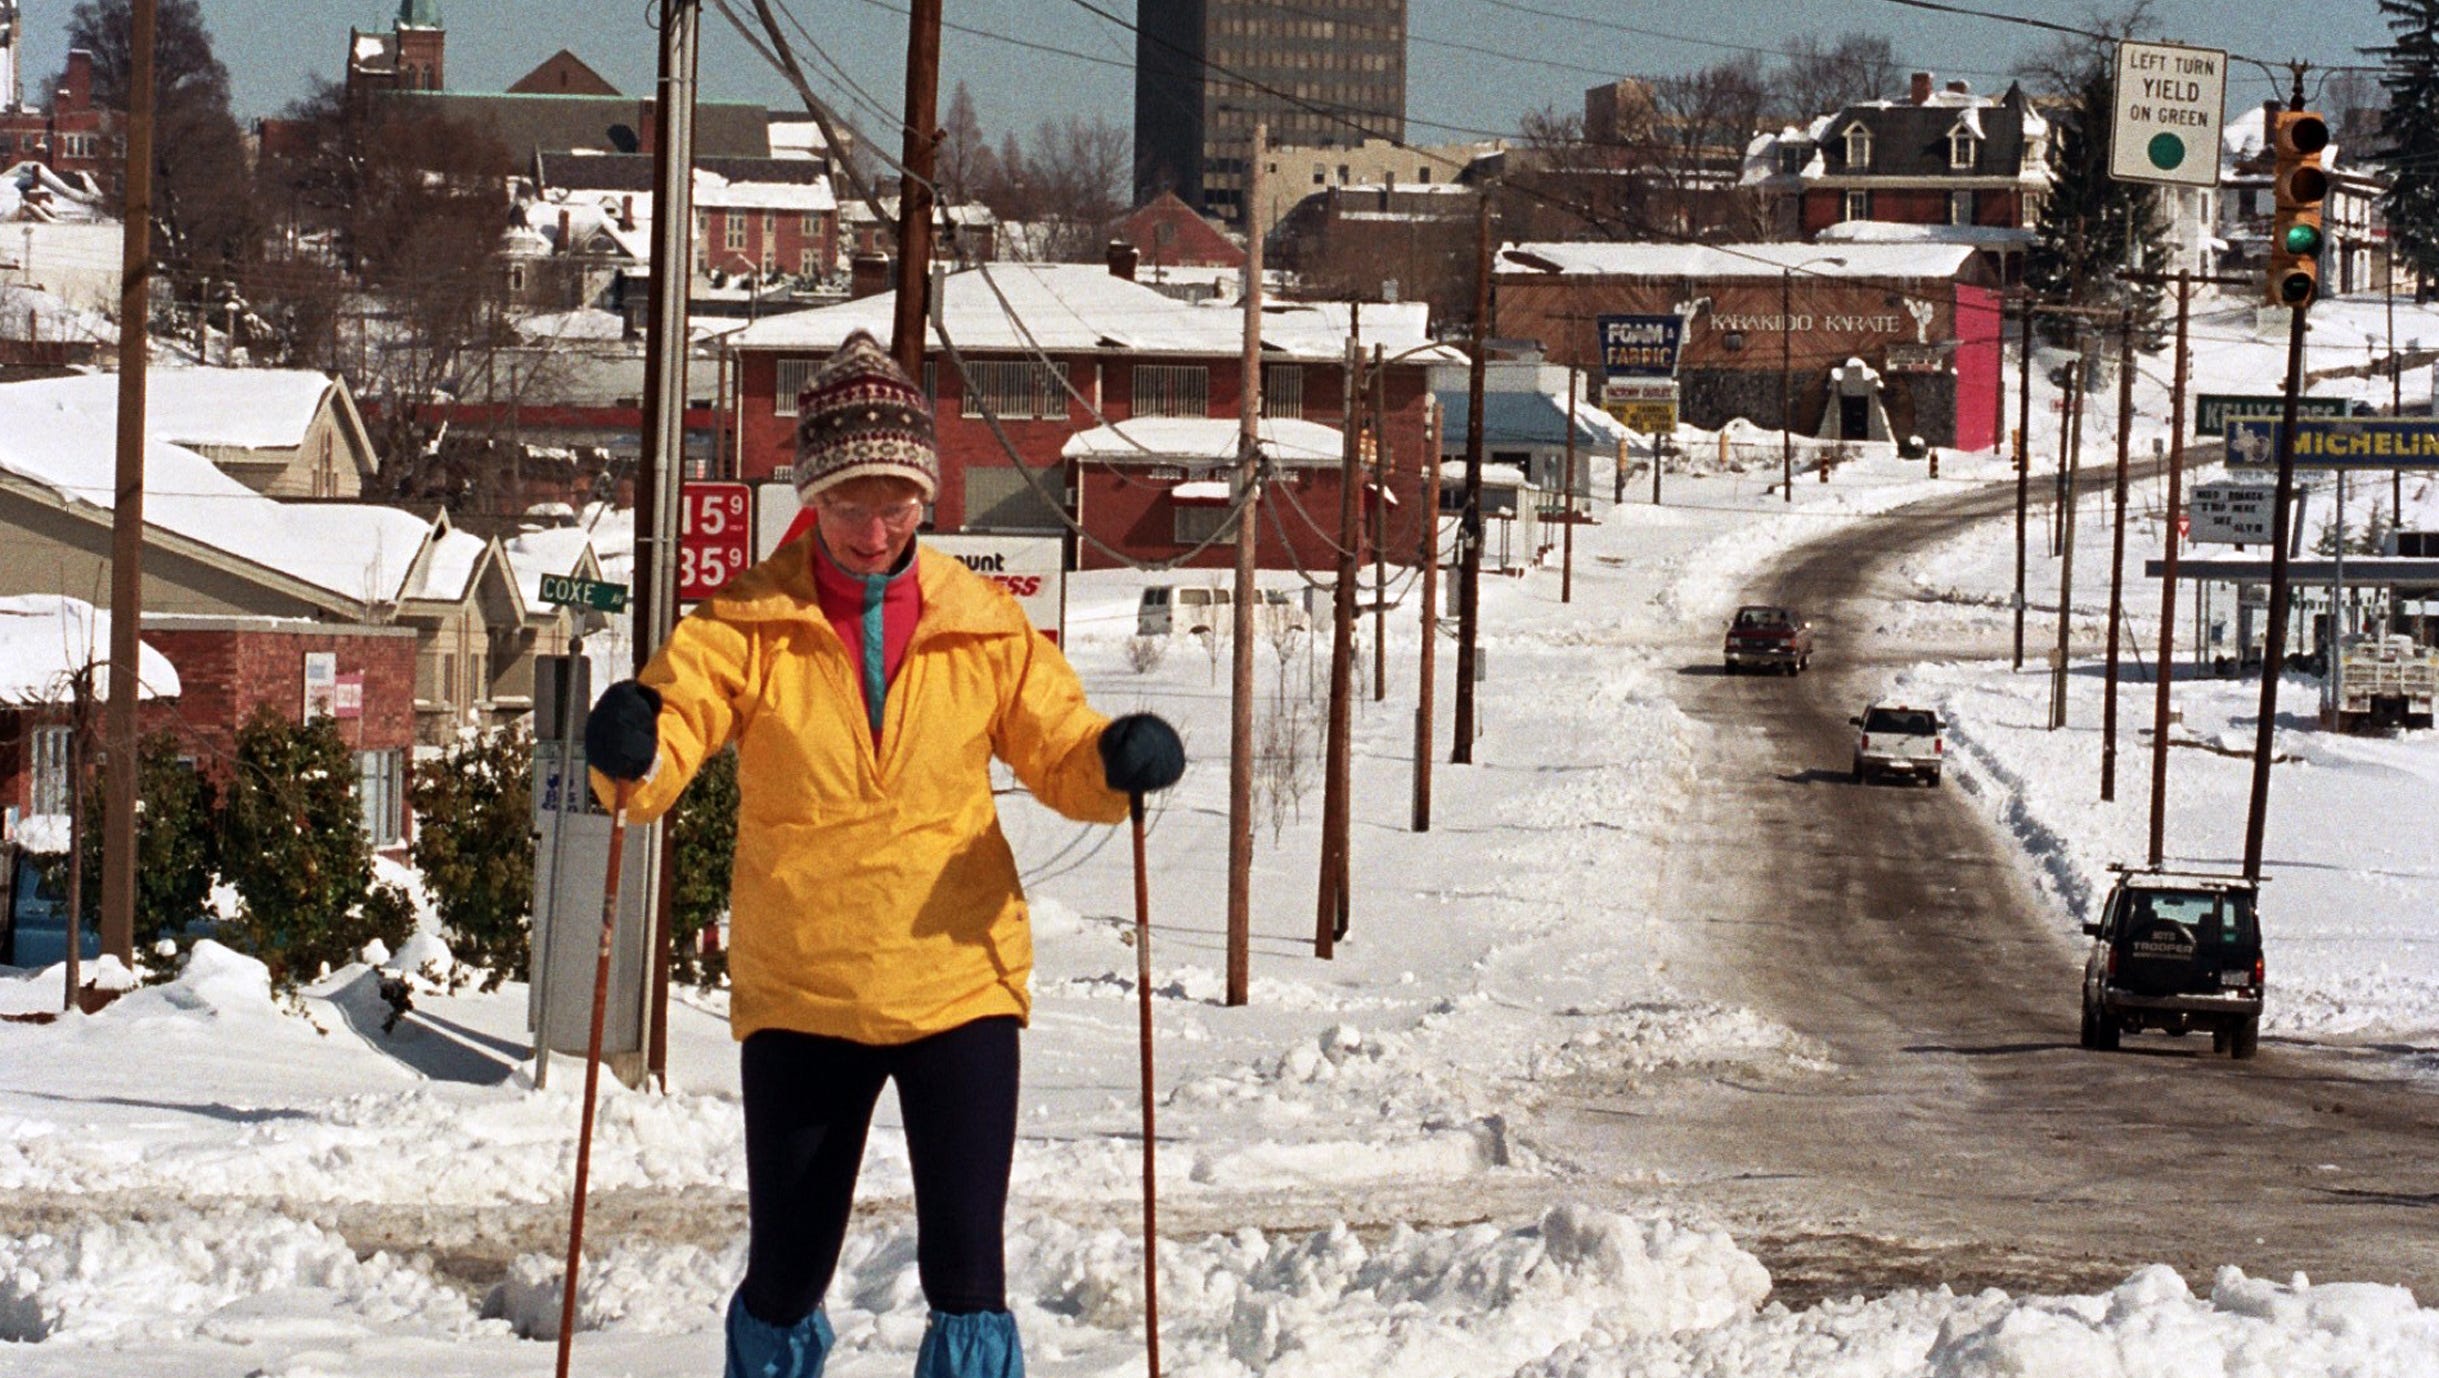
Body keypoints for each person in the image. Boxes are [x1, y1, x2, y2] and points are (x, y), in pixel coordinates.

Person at [584, 330, 1186, 1378]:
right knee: (787, 1273)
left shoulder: (983, 624)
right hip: (806, 984)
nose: (875, 530)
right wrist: (632, 744)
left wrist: (1115, 759)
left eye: (898, 503)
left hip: (957, 978)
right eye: (851, 504)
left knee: (968, 1275)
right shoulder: (746, 623)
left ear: (927, 497)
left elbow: (1058, 745)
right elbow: (674, 727)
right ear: (812, 496)